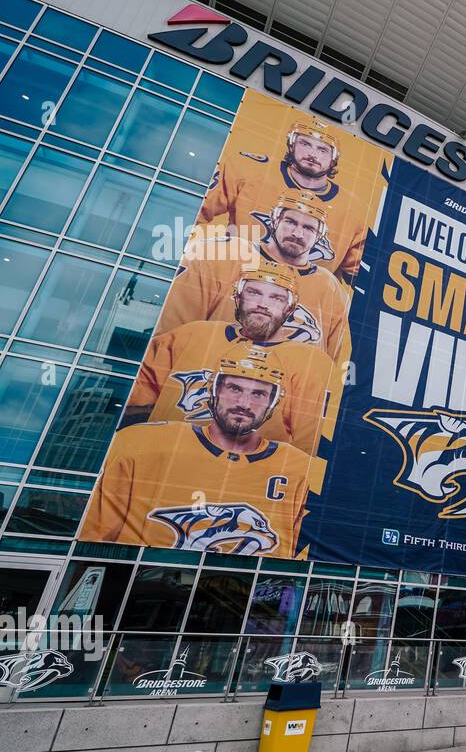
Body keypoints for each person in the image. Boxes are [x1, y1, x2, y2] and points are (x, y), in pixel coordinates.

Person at [81, 352, 310, 556]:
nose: (244, 403)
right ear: (214, 390)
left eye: (259, 394)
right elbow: (92, 540)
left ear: (273, 402)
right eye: (235, 388)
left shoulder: (299, 468)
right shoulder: (141, 443)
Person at [120, 256, 336, 454]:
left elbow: (308, 448)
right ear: (238, 296)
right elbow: (131, 396)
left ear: (290, 309)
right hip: (163, 464)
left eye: (277, 298)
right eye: (254, 292)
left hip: (246, 480)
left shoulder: (311, 363)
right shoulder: (193, 334)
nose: (263, 304)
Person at [155, 194, 351, 360]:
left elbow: (331, 362)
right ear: (274, 221)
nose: (297, 233)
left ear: (319, 236)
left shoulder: (330, 287)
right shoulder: (223, 253)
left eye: (309, 228)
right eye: (290, 222)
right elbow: (171, 333)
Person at [200, 113, 371, 283]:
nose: (313, 154)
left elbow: (359, 281)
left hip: (302, 300)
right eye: (305, 143)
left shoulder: (353, 210)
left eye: (323, 149)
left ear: (334, 158)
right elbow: (198, 210)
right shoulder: (250, 170)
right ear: (291, 144)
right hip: (236, 280)